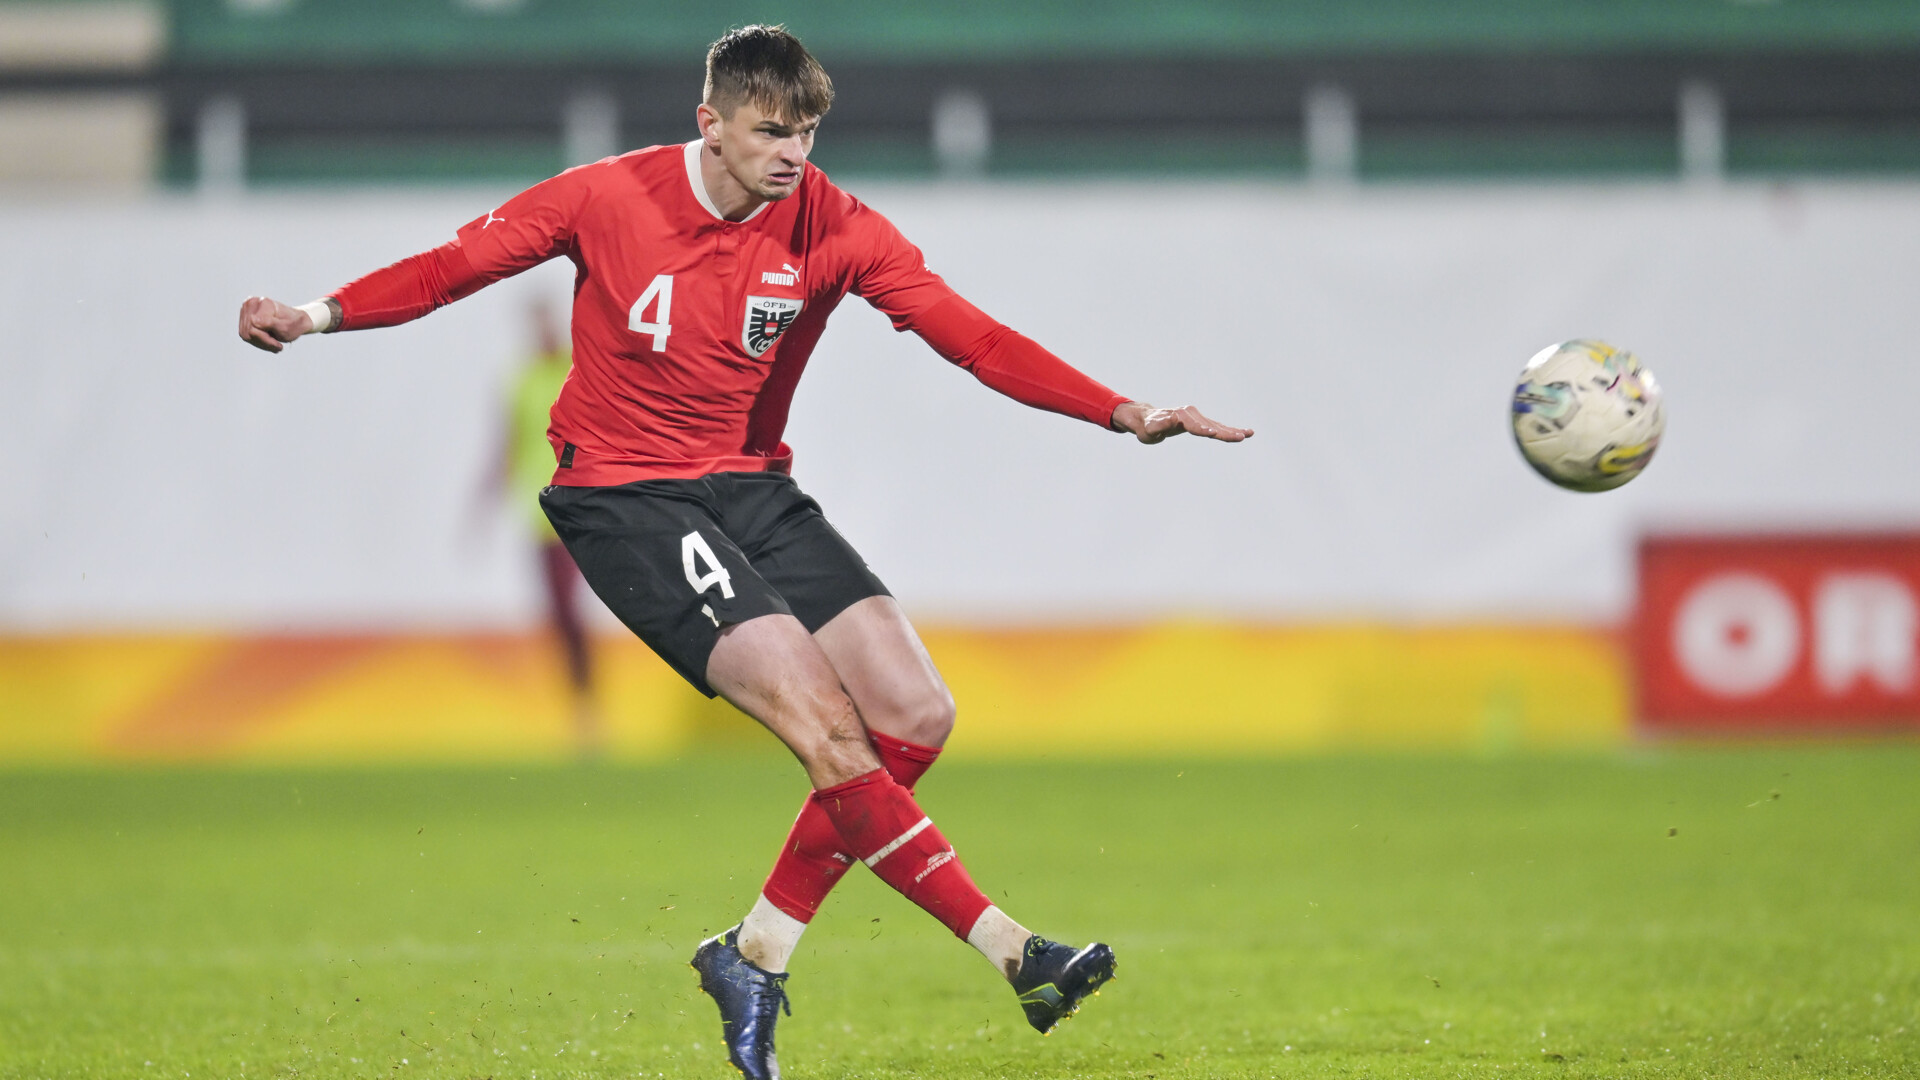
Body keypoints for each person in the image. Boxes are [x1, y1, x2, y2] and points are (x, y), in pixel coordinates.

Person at [237, 25, 1251, 1080]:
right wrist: (316, 315)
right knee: (827, 727)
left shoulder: (837, 226)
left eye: (807, 132)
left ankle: (755, 951)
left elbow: (973, 336)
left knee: (915, 713)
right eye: (771, 132)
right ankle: (1014, 950)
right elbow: (454, 267)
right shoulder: (602, 197)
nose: (793, 154)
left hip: (751, 487)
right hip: (626, 498)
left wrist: (1122, 410)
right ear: (708, 123)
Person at [492, 297, 602, 756]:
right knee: (563, 619)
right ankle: (584, 713)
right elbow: (508, 446)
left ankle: (591, 708)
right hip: (542, 517)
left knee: (624, 603)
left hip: (588, 510)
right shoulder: (520, 383)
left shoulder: (577, 371)